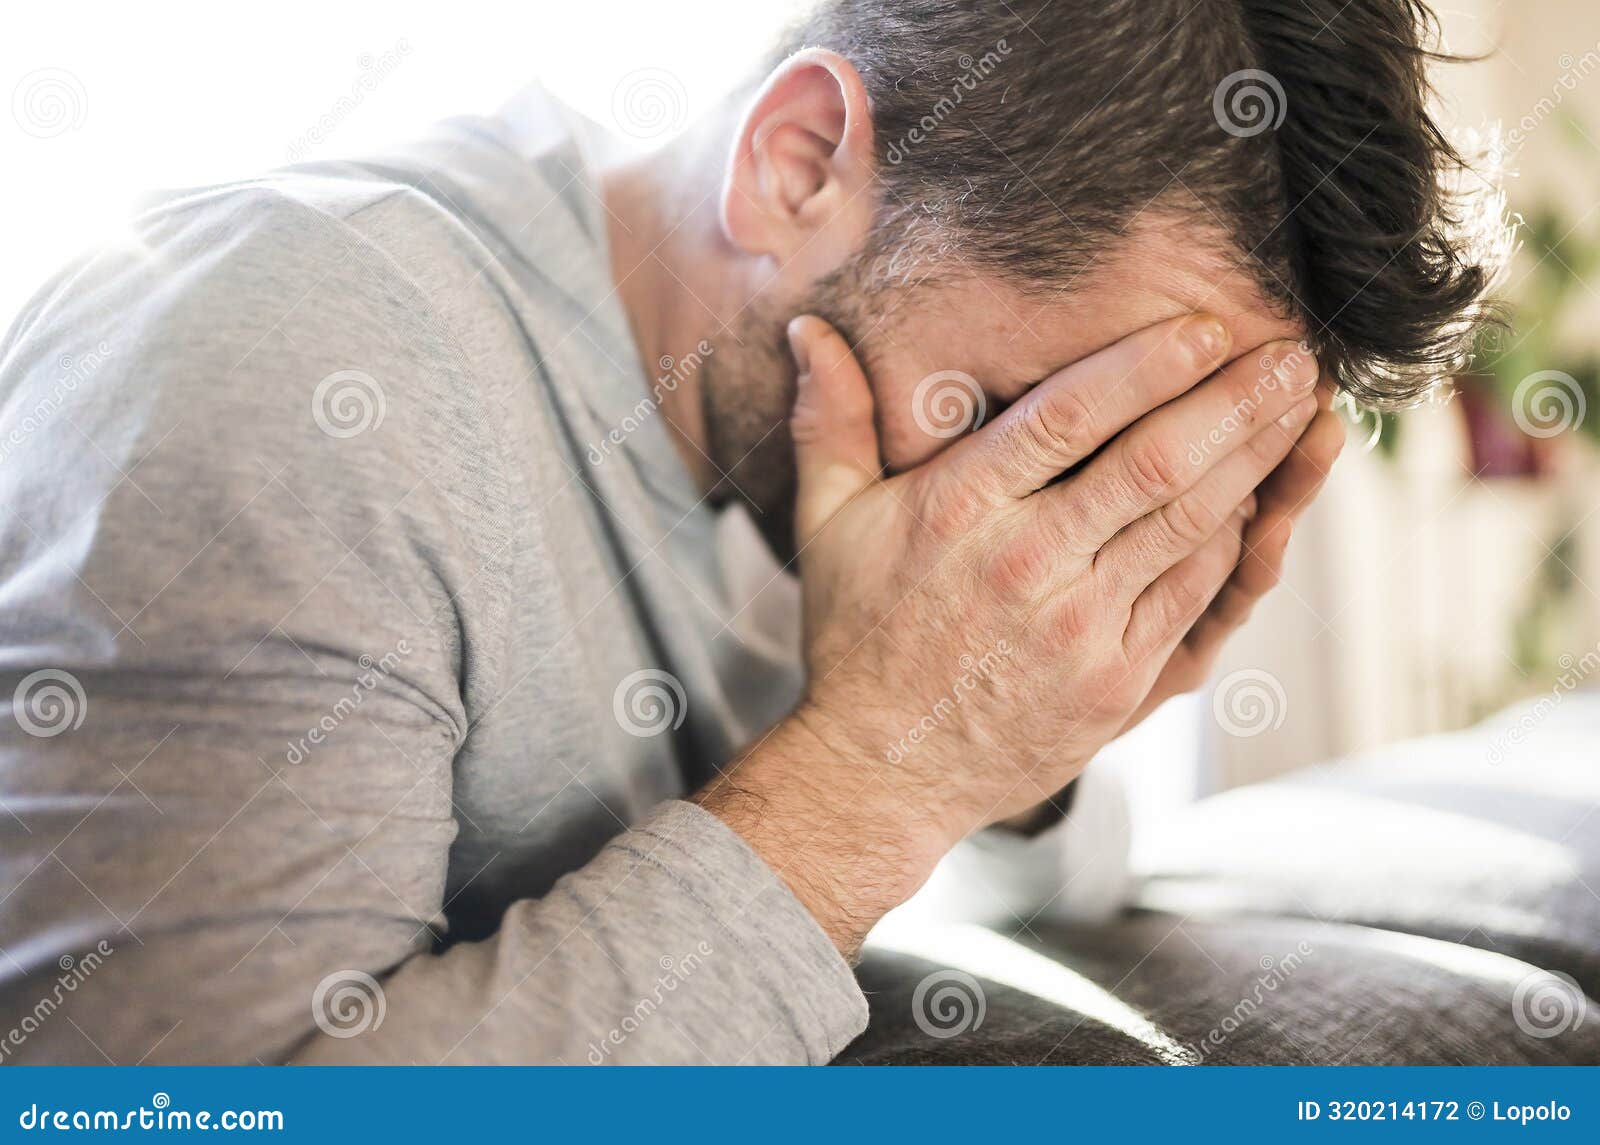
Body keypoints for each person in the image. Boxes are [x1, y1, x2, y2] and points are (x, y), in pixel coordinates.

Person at [0, 0, 1501, 1063]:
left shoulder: (801, 432)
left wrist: (1038, 744)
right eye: (1057, 420)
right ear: (799, 166)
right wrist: (879, 766)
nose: (1058, 523)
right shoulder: (295, 356)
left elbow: (1008, 900)